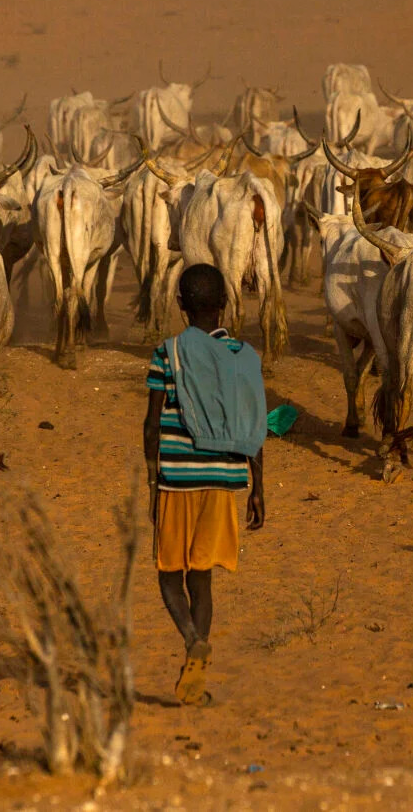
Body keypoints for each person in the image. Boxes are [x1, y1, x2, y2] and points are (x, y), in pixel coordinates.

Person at [142, 263, 267, 705]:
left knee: (167, 576)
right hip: (224, 480)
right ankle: (195, 679)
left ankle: (192, 638)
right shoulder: (243, 357)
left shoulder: (168, 353)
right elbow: (253, 424)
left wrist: (154, 482)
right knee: (202, 580)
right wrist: (258, 487)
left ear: (180, 306)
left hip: (178, 480)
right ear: (225, 305)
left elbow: (152, 426)